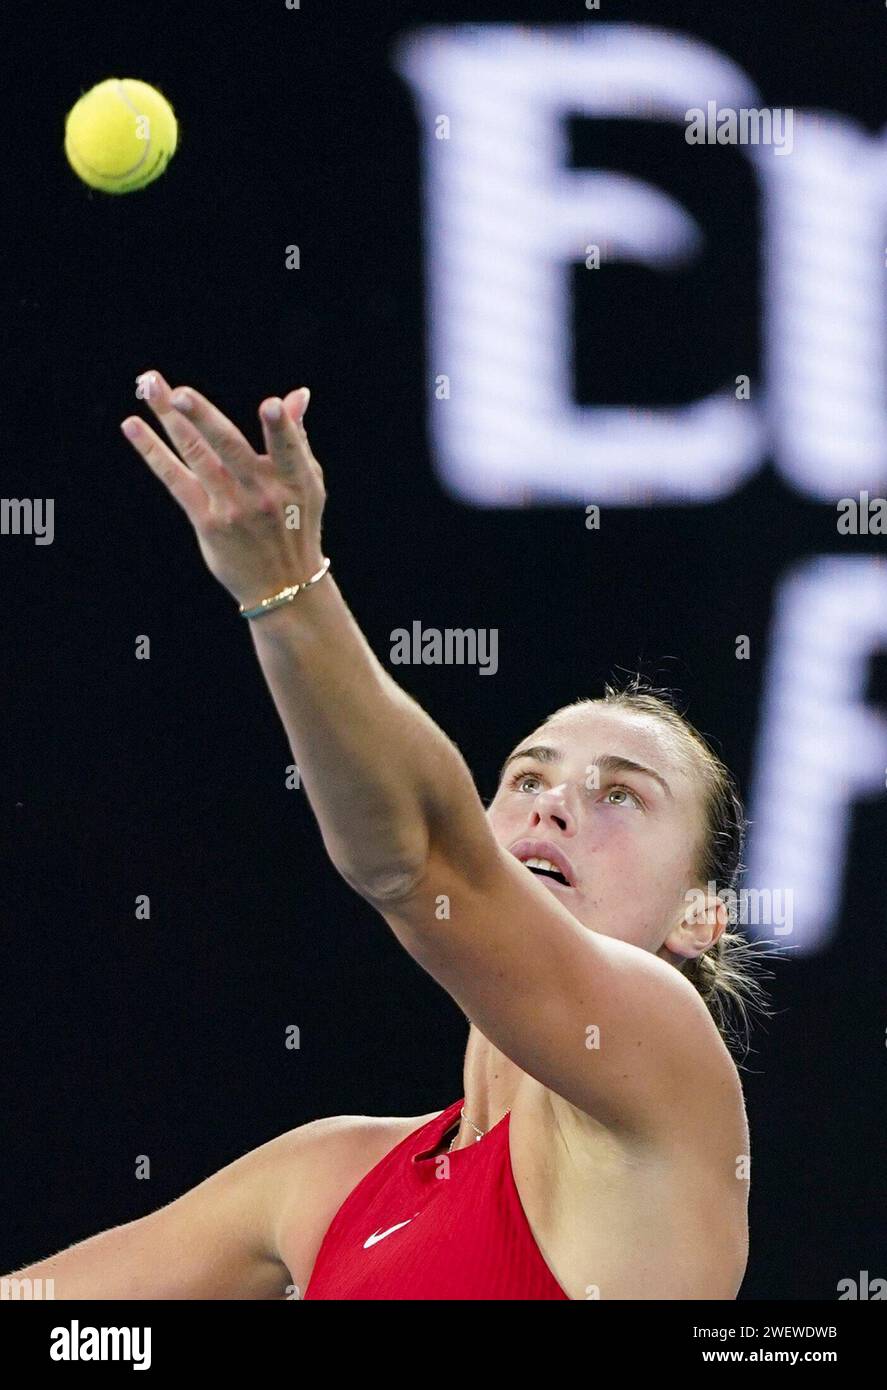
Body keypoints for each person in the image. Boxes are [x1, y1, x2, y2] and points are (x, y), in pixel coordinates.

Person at [5, 372, 768, 1300]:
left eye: (621, 797)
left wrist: (287, 590)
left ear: (698, 918)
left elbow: (419, 862)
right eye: (527, 777)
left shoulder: (669, 1070)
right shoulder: (326, 1177)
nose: (553, 805)